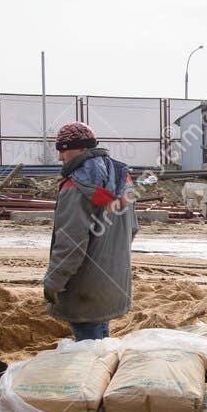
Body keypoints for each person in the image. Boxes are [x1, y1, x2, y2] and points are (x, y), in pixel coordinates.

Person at [42, 122, 138, 340]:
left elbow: (71, 243)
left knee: (89, 352)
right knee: (100, 343)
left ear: (82, 149)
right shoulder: (122, 177)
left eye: (63, 149)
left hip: (84, 289)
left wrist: (53, 282)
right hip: (112, 280)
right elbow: (132, 228)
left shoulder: (76, 185)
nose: (60, 157)